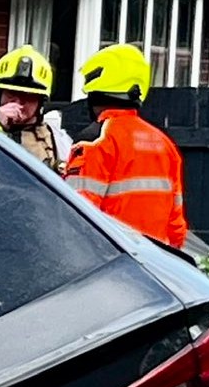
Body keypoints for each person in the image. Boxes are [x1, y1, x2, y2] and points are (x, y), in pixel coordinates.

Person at [63, 43, 189, 249]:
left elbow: (75, 215)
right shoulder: (164, 144)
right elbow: (176, 228)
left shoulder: (95, 140)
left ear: (95, 93)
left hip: (109, 260)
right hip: (152, 264)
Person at [0, 45, 69, 172]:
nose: (18, 102)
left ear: (41, 102)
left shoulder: (56, 139)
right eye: (11, 93)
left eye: (28, 96)